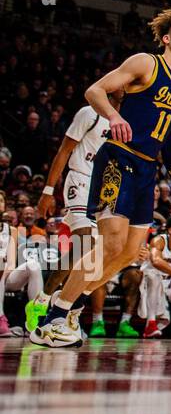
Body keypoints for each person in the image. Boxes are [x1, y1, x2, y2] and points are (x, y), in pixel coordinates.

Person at [31, 8, 171, 347]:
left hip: (147, 170)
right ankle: (53, 320)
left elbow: (168, 135)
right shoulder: (146, 63)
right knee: (108, 243)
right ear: (167, 38)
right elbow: (94, 91)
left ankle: (65, 303)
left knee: (128, 254)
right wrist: (112, 115)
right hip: (118, 160)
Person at [29, 91, 119, 332]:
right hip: (79, 180)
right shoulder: (90, 113)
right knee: (86, 244)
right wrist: (48, 191)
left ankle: (53, 303)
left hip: (102, 189)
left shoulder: (125, 123)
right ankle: (53, 304)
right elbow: (64, 150)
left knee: (98, 254)